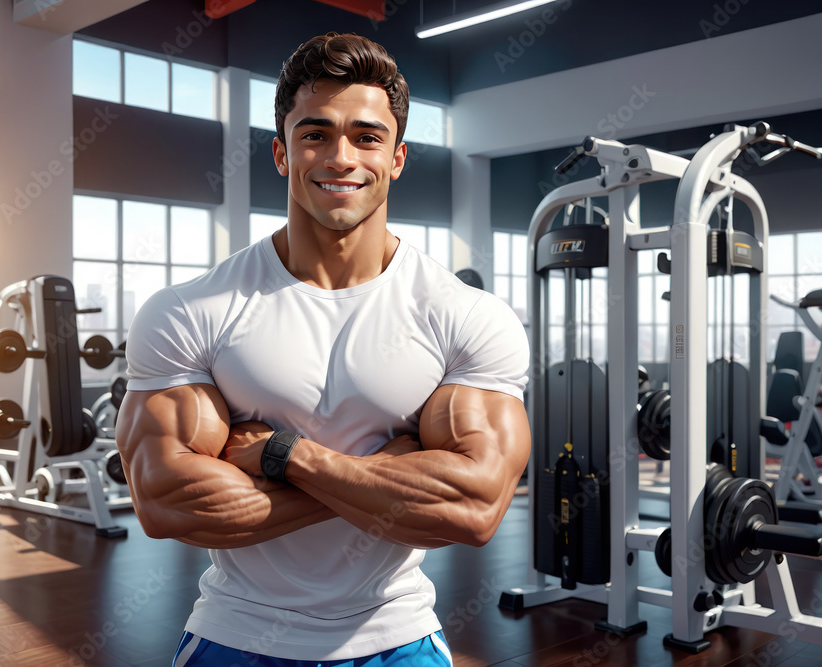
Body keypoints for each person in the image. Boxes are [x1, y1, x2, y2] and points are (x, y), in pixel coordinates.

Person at [116, 32, 531, 667]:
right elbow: (166, 503)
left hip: (398, 635)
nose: (341, 157)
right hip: (236, 635)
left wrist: (284, 455)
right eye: (316, 134)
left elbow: (471, 509)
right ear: (282, 154)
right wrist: (387, 470)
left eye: (367, 137)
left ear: (396, 158)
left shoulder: (465, 315)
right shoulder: (190, 310)